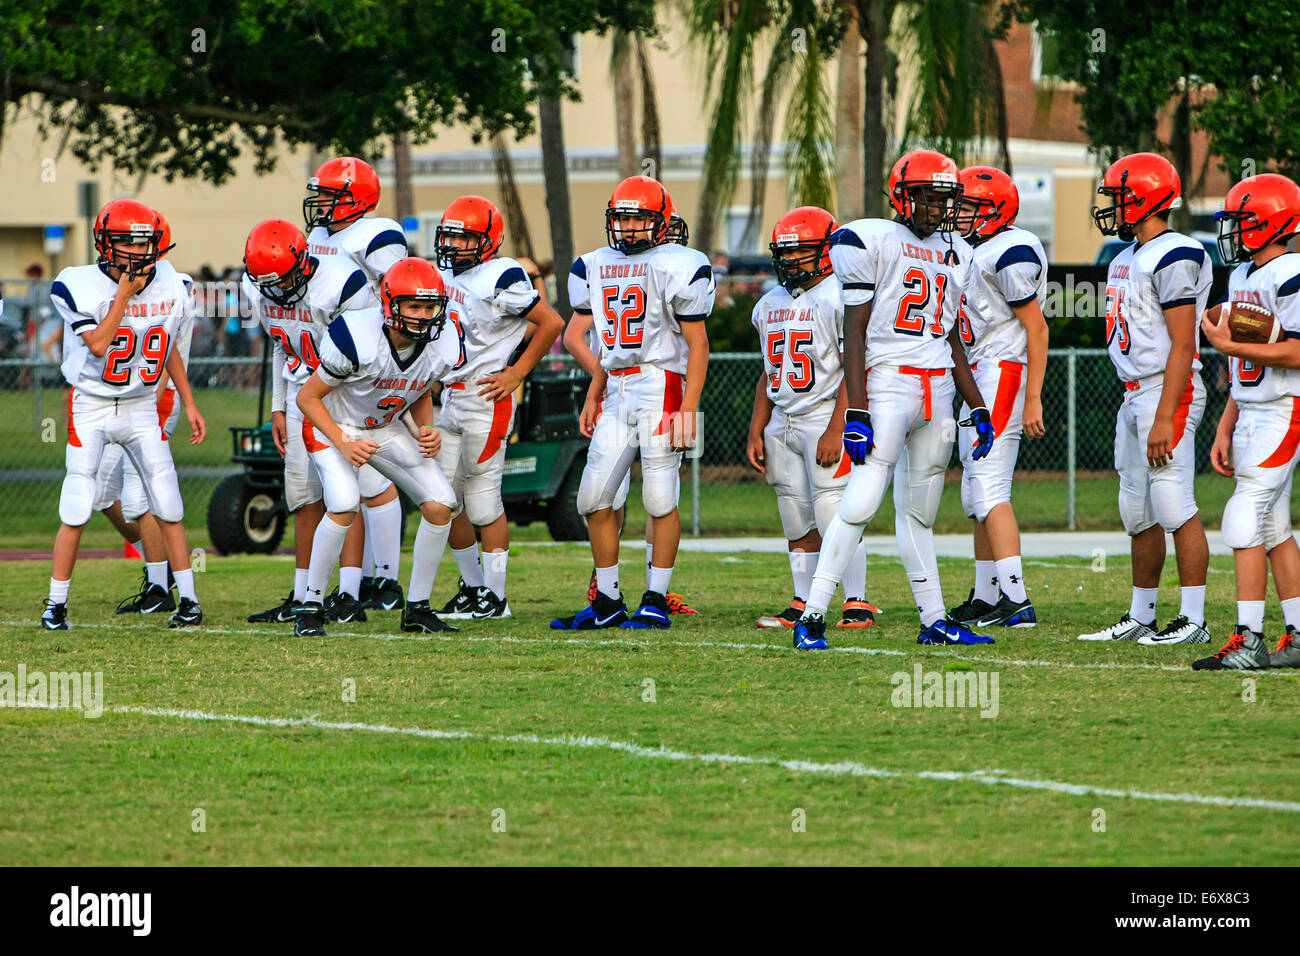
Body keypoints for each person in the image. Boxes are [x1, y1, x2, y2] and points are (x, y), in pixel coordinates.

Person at [791, 149, 997, 651]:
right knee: (859, 502)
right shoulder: (870, 238)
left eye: (946, 197)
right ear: (905, 197)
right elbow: (853, 335)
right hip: (888, 385)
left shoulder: (959, 252)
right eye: (930, 196)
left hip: (939, 389)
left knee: (919, 514)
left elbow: (951, 337)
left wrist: (979, 404)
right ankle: (813, 615)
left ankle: (934, 619)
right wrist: (856, 409)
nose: (940, 208)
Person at [552, 175, 714, 630]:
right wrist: (594, 390)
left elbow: (698, 346)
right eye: (622, 219)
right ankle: (607, 600)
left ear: (660, 222)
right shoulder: (596, 264)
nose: (628, 228)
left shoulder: (676, 263)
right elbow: (606, 343)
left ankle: (656, 599)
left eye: (639, 218)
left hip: (663, 384)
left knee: (660, 497)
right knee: (592, 499)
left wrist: (688, 408)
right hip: (618, 387)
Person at [43, 199, 206, 629]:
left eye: (143, 244)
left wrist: (188, 401)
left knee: (167, 502)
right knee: (77, 503)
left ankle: (187, 600)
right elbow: (98, 344)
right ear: (103, 244)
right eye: (125, 243)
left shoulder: (173, 284)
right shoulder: (76, 284)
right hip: (93, 404)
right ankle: (55, 604)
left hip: (141, 406)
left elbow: (167, 345)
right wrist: (123, 295)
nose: (136, 253)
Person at [1077, 152, 1212, 646]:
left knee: (1174, 503)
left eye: (1119, 196)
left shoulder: (1176, 252)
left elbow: (1182, 344)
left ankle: (1194, 619)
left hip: (1165, 390)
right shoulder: (1124, 256)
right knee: (1137, 510)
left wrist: (1163, 416)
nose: (1112, 206)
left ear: (1146, 198)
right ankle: (1142, 615)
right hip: (1133, 392)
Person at [293, 258, 463, 636]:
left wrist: (427, 428)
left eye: (429, 307)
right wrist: (343, 442)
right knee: (343, 503)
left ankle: (417, 607)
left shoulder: (444, 343)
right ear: (390, 305)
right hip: (331, 425)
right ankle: (310, 605)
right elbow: (308, 397)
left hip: (383, 427)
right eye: (413, 306)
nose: (422, 315)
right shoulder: (357, 335)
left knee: (441, 505)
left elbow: (416, 385)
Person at [427, 195, 564, 619]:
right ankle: (473, 588)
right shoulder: (446, 273)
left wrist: (516, 372)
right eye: (448, 236)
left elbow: (551, 322)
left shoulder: (501, 274)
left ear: (488, 241)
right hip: (450, 394)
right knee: (442, 500)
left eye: (463, 238)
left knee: (483, 500)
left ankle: (497, 596)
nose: (452, 246)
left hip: (486, 397)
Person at [240, 219, 375, 628]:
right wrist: (278, 407)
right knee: (301, 495)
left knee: (345, 494)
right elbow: (285, 345)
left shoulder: (342, 283)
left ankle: (350, 593)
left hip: (344, 395)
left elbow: (367, 347)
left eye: (283, 280)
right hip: (301, 395)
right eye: (269, 283)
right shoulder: (260, 288)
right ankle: (302, 595)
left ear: (303, 261)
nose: (277, 291)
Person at [746, 205, 876, 629]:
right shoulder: (768, 303)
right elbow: (768, 369)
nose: (790, 260)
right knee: (795, 513)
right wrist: (756, 428)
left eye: (800, 251)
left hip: (823, 414)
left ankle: (856, 600)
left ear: (824, 251)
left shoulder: (839, 295)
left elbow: (853, 366)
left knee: (834, 511)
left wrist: (838, 425)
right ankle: (802, 600)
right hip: (783, 418)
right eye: (785, 252)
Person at [1195, 173, 1300, 670]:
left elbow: (1297, 351)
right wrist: (1225, 422)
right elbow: (1246, 369)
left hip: (1284, 411)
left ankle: (1249, 639)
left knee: (1243, 516)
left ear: (1270, 222)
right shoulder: (1242, 277)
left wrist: (1232, 345)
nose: (1233, 230)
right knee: (1275, 527)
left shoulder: (1292, 271)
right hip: (1252, 412)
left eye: (1242, 220)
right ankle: (1298, 636)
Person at [304, 156, 408, 610]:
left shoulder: (377, 234)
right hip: (328, 360)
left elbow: (401, 294)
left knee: (368, 476)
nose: (320, 203)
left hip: (366, 362)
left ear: (354, 197)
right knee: (349, 483)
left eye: (329, 194)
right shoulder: (319, 236)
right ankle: (360, 580)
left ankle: (383, 580)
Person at [946, 166, 1048, 629]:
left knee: (989, 487)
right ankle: (988, 595)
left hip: (1003, 371)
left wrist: (1034, 399)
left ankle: (1017, 599)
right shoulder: (975, 250)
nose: (959, 215)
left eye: (968, 207)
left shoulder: (1010, 250)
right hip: (982, 372)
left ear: (993, 210)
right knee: (974, 492)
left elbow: (1037, 328)